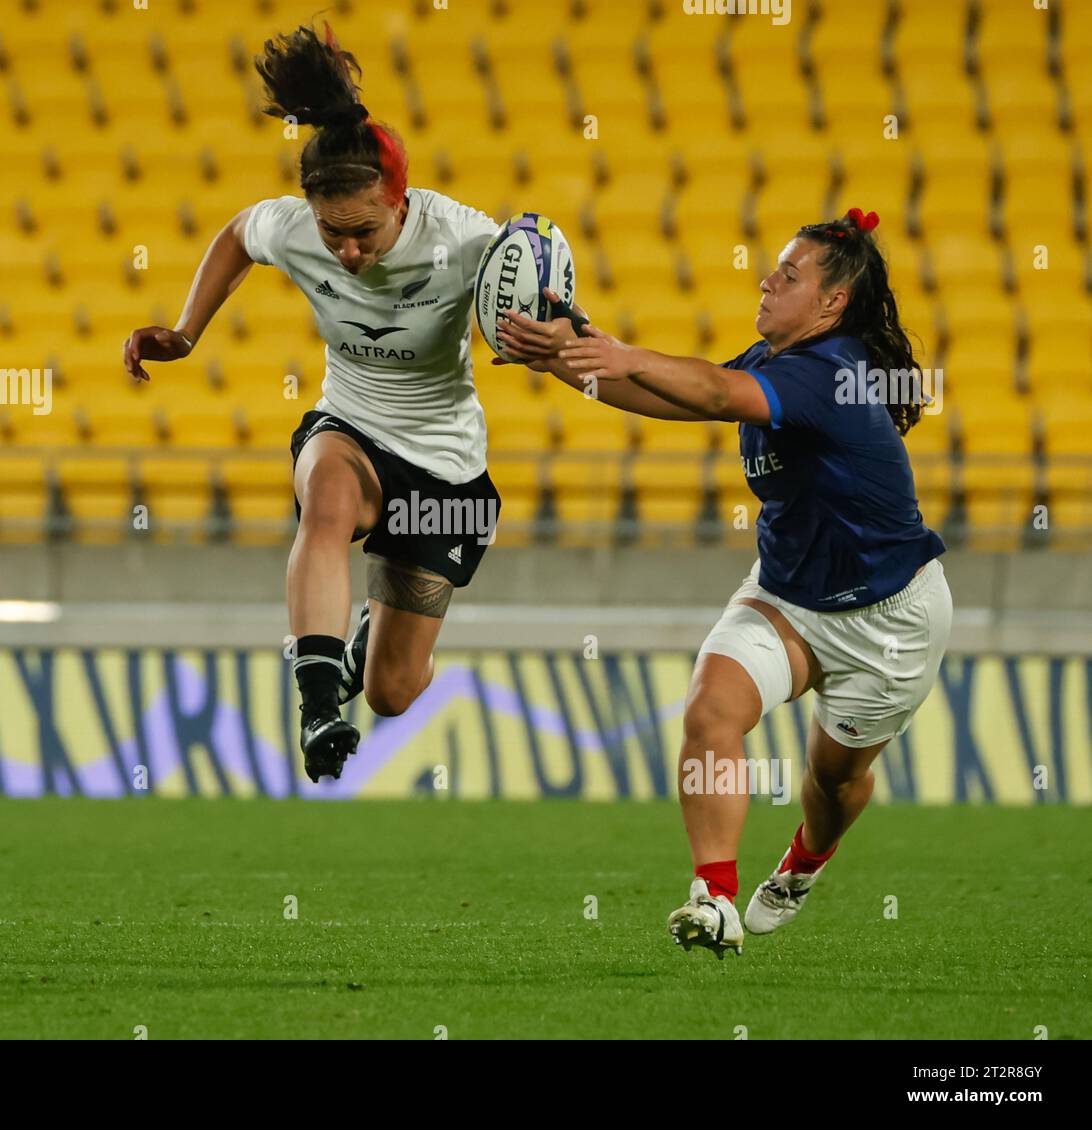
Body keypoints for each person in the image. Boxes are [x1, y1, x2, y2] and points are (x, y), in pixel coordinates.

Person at [495, 208, 951, 956]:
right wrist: (566, 361)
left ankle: (805, 862)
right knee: (710, 708)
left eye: (790, 274)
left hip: (891, 619)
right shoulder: (776, 361)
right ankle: (714, 898)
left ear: (832, 304)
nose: (768, 280)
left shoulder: (829, 373)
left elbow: (710, 393)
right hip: (788, 597)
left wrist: (609, 351)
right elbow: (678, 398)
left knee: (832, 783)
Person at [122, 24, 503, 783]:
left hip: (446, 474)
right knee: (326, 499)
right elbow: (238, 233)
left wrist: (556, 341)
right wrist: (187, 332)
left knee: (394, 692)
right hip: (352, 427)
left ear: (400, 200)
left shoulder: (467, 242)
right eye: (334, 234)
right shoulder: (295, 229)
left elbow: (540, 307)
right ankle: (318, 704)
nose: (349, 253)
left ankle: (362, 654)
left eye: (363, 232)